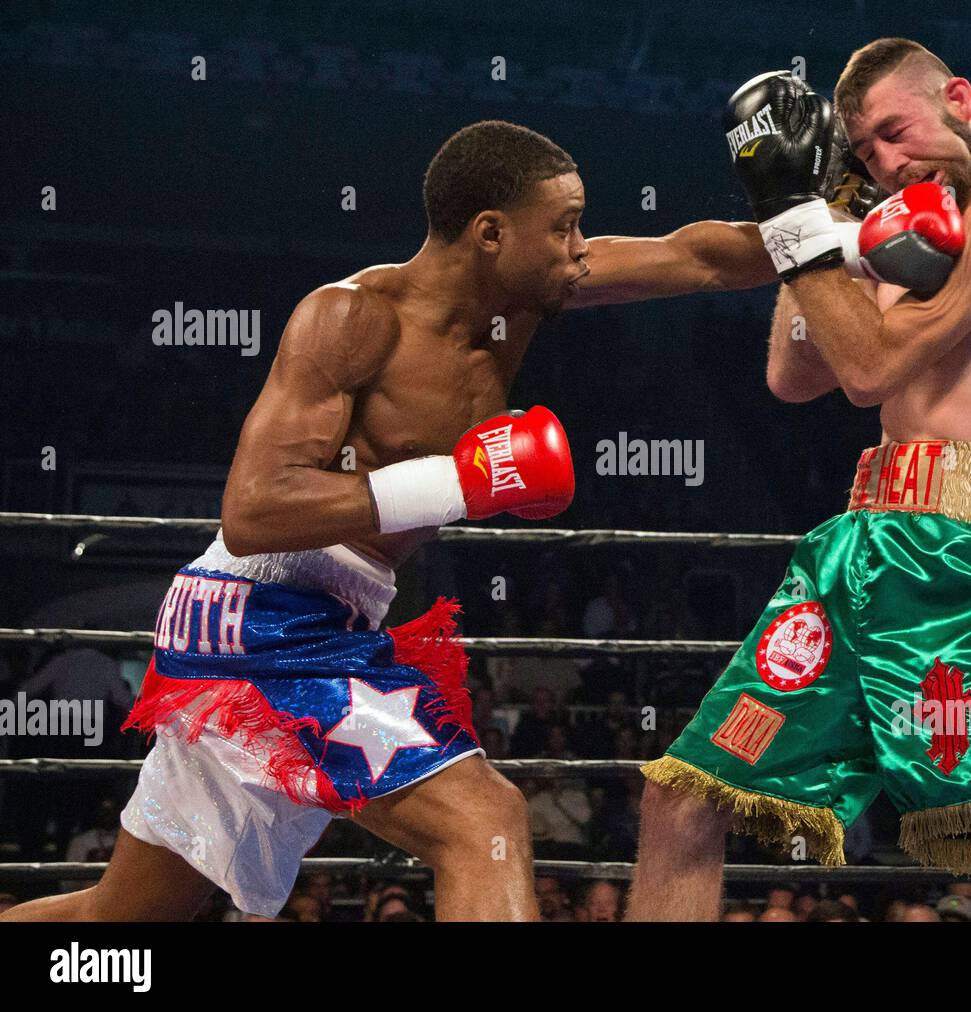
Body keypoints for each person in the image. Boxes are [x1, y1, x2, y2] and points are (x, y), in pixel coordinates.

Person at [1, 119, 786, 923]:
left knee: (124, 919)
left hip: (318, 616)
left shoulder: (528, 295)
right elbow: (252, 509)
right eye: (563, 227)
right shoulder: (351, 317)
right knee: (483, 820)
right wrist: (456, 482)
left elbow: (699, 257)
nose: (581, 246)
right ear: (489, 234)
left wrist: (848, 228)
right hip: (261, 616)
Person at [628, 40, 971, 922]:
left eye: (895, 134)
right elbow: (795, 377)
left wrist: (796, 219)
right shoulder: (894, 239)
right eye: (863, 153)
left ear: (958, 97)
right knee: (683, 799)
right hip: (861, 552)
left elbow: (869, 372)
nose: (887, 162)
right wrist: (825, 215)